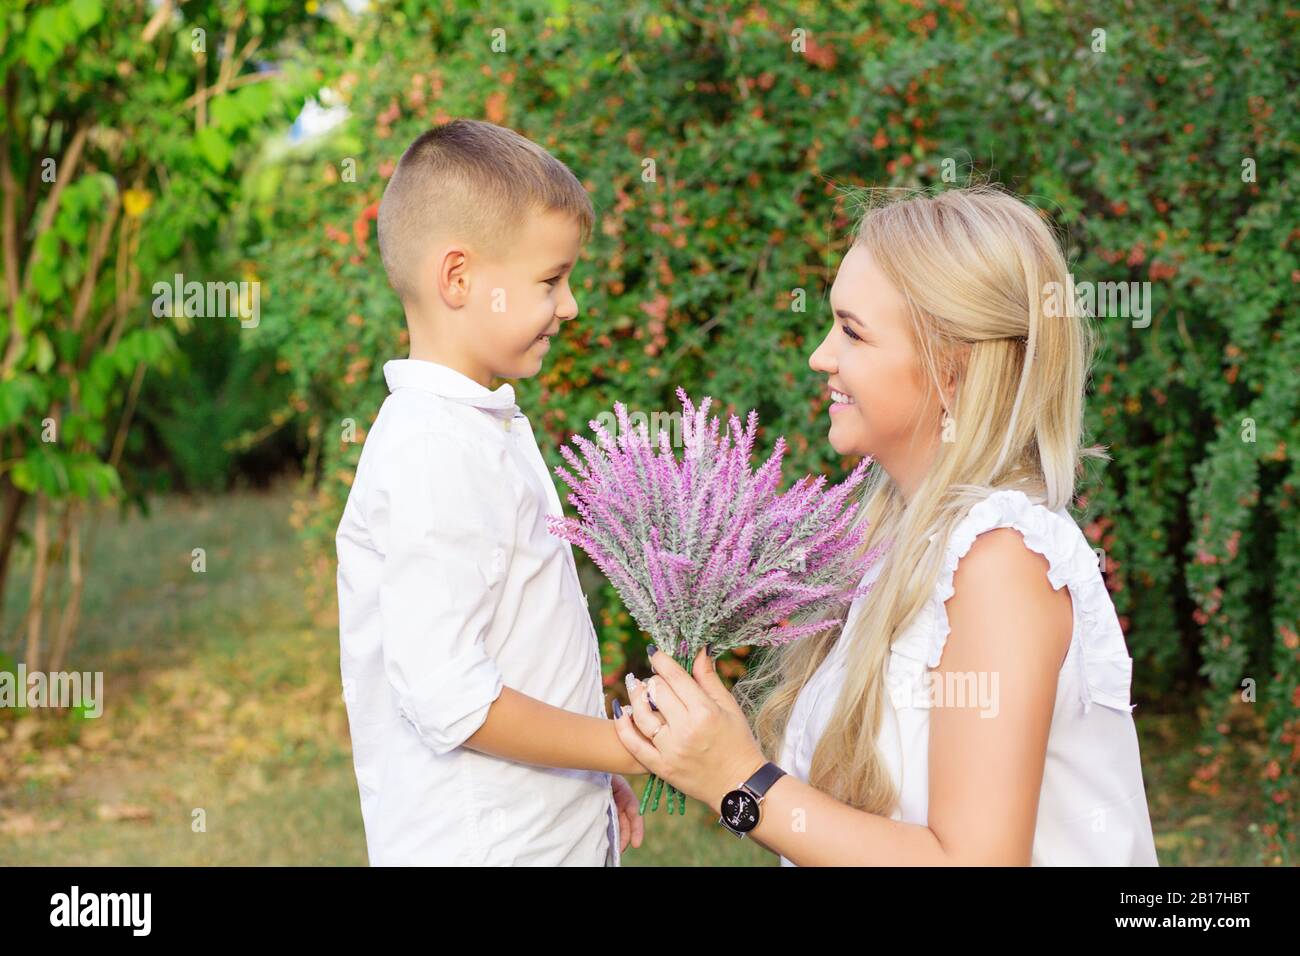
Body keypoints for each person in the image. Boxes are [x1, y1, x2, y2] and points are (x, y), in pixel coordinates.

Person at [615, 184, 1160, 866]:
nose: (820, 356)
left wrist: (740, 781)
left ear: (954, 370)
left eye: (852, 330)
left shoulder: (1000, 561)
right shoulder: (895, 543)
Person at [336, 119, 645, 866]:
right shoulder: (434, 451)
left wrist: (590, 761)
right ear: (458, 279)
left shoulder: (479, 425)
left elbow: (516, 642)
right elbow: (451, 695)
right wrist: (623, 746)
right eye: (550, 280)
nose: (569, 305)